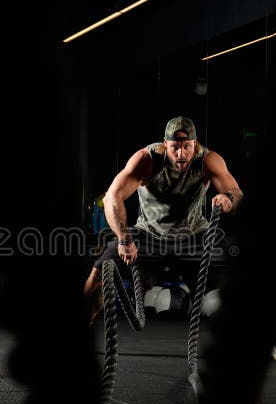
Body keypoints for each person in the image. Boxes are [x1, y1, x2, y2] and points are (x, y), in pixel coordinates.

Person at [83, 115, 242, 300]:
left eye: (186, 147)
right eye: (175, 147)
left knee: (238, 260)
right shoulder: (146, 160)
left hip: (194, 236)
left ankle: (270, 315)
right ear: (165, 144)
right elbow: (112, 197)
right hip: (149, 234)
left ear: (195, 144)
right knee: (100, 271)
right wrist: (124, 239)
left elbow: (237, 193)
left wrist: (228, 197)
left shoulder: (208, 160)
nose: (181, 154)